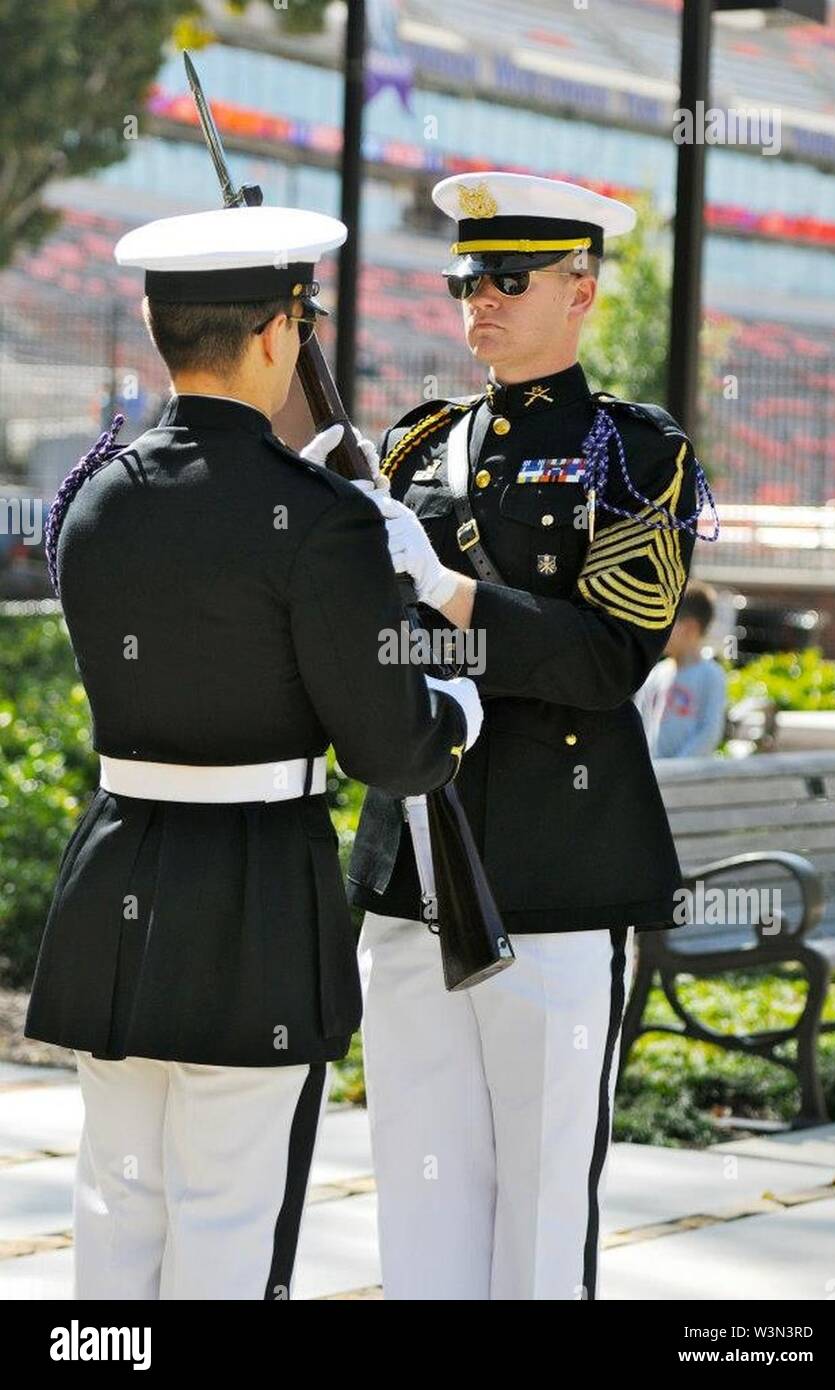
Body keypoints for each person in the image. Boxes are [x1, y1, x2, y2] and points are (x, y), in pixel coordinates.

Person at [24, 203, 483, 1301]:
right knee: (229, 1218)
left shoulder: (92, 501)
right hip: (253, 899)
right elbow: (390, 746)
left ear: (156, 328)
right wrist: (454, 706)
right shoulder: (321, 516)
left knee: (114, 1205)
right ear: (282, 332)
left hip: (117, 881)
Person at [330, 171, 719, 1300]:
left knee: (543, 1200)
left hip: (556, 870)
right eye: (466, 278)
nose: (479, 301)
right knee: (417, 1175)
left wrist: (451, 594)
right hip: (417, 857)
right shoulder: (413, 450)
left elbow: (604, 663)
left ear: (581, 291)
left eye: (507, 278)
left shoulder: (636, 457)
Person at [634, 580, 727, 758]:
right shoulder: (655, 675)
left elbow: (709, 733)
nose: (657, 629)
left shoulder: (711, 676)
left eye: (666, 622)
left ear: (690, 628)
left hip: (685, 780)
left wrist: (678, 767)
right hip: (654, 774)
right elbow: (639, 725)